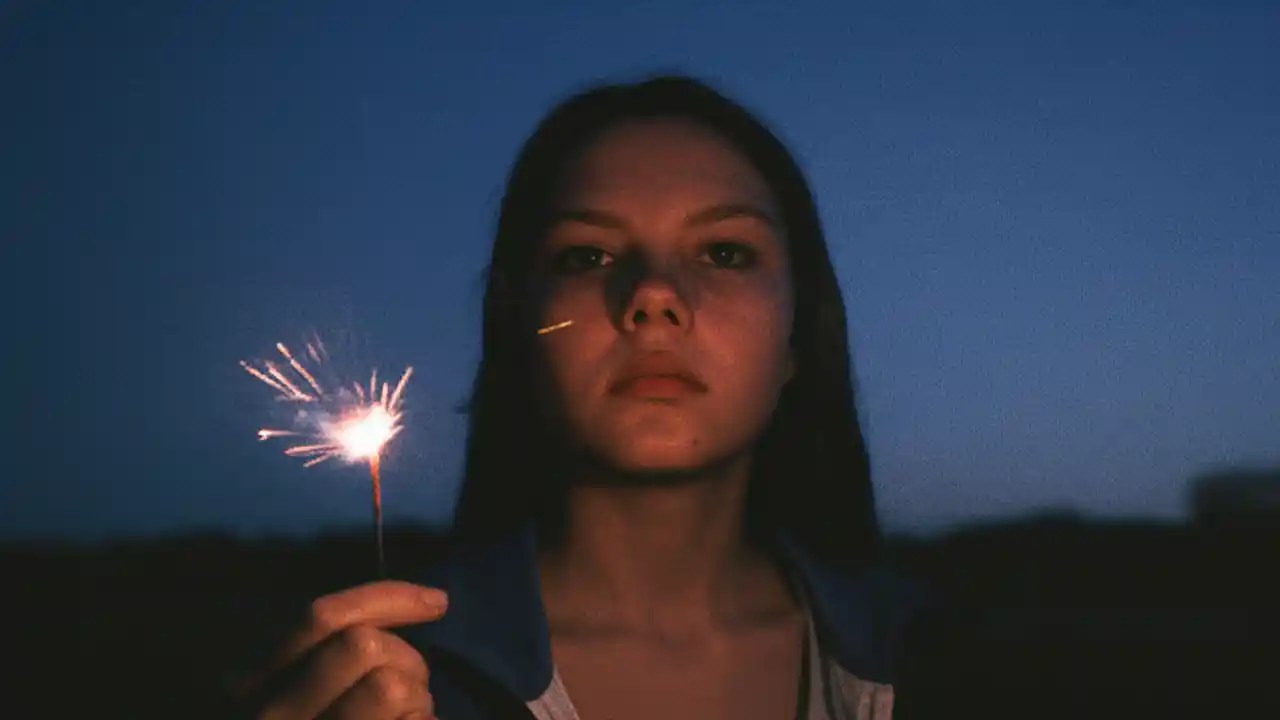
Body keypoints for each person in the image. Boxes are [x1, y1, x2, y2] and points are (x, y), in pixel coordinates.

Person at [229, 74, 925, 720]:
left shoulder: (938, 656)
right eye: (587, 256)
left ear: (797, 332)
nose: (654, 295)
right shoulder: (388, 676)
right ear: (520, 327)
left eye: (724, 253)